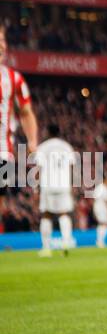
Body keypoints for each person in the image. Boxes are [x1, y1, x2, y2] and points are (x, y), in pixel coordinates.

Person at [0, 25, 39, 232]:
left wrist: (32, 141)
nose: (1, 45)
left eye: (3, 40)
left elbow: (26, 113)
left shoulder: (14, 79)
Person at [35, 123, 75, 257]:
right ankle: (66, 242)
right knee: (64, 214)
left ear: (48, 132)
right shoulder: (67, 147)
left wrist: (36, 186)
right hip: (64, 184)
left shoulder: (43, 147)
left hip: (48, 184)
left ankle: (46, 248)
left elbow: (38, 167)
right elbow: (72, 166)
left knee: (47, 214)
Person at [92, 174, 107, 248]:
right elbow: (106, 201)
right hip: (101, 207)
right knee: (104, 224)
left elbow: (94, 199)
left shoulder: (98, 188)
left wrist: (94, 210)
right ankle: (99, 241)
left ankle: (100, 241)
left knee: (103, 224)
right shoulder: (105, 189)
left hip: (97, 206)